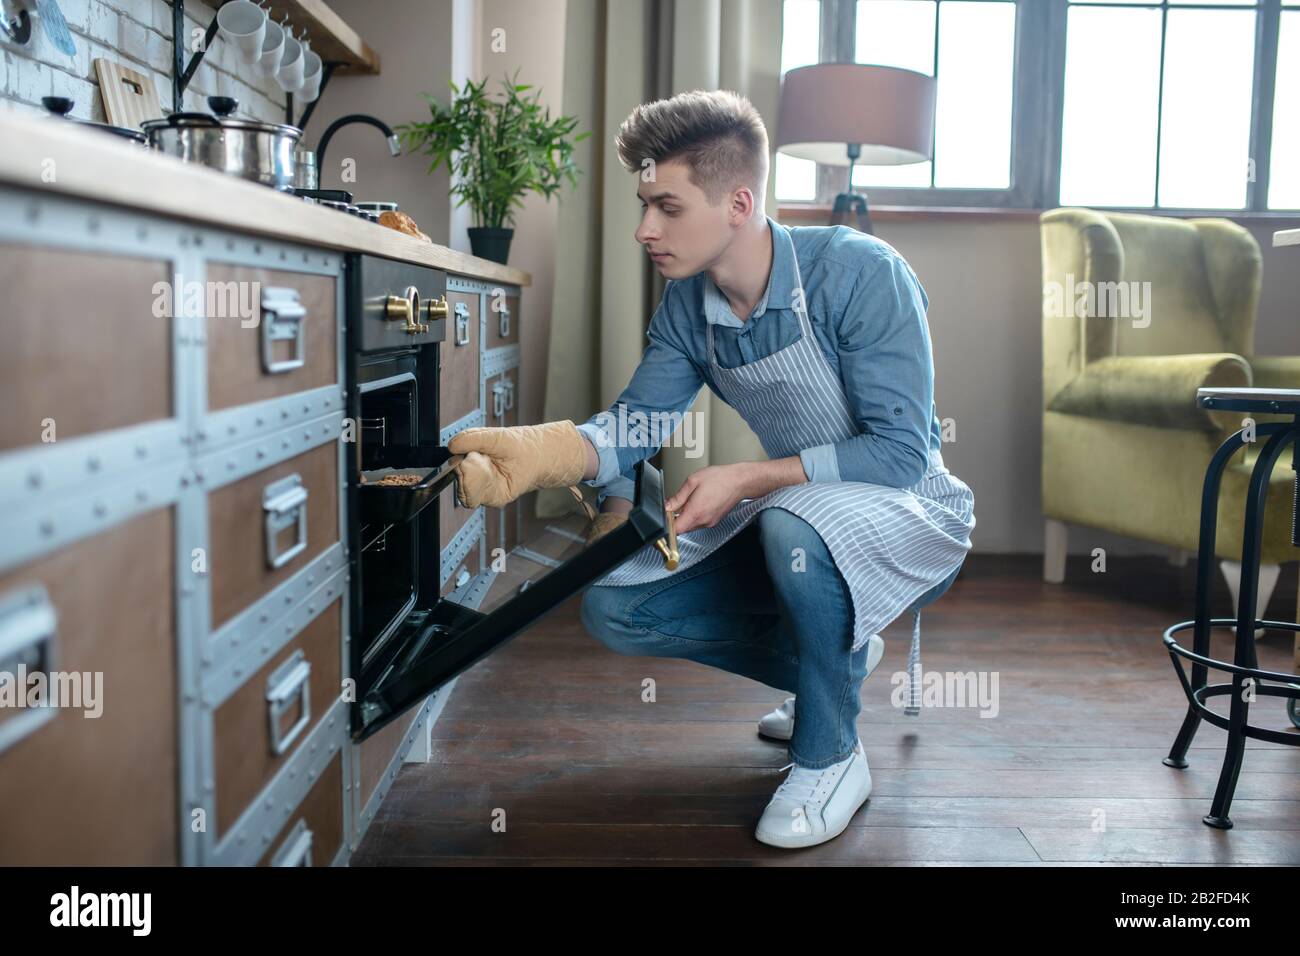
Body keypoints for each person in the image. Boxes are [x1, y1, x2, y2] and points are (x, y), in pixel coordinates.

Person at [449, 88, 976, 849]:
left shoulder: (861, 275)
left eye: (667, 206)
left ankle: (830, 754)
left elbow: (898, 455)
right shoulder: (685, 304)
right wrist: (541, 453)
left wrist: (747, 477)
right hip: (799, 519)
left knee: (794, 525)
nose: (643, 229)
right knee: (615, 606)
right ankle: (831, 662)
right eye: (643, 205)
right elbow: (637, 424)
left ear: (738, 201)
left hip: (910, 511)